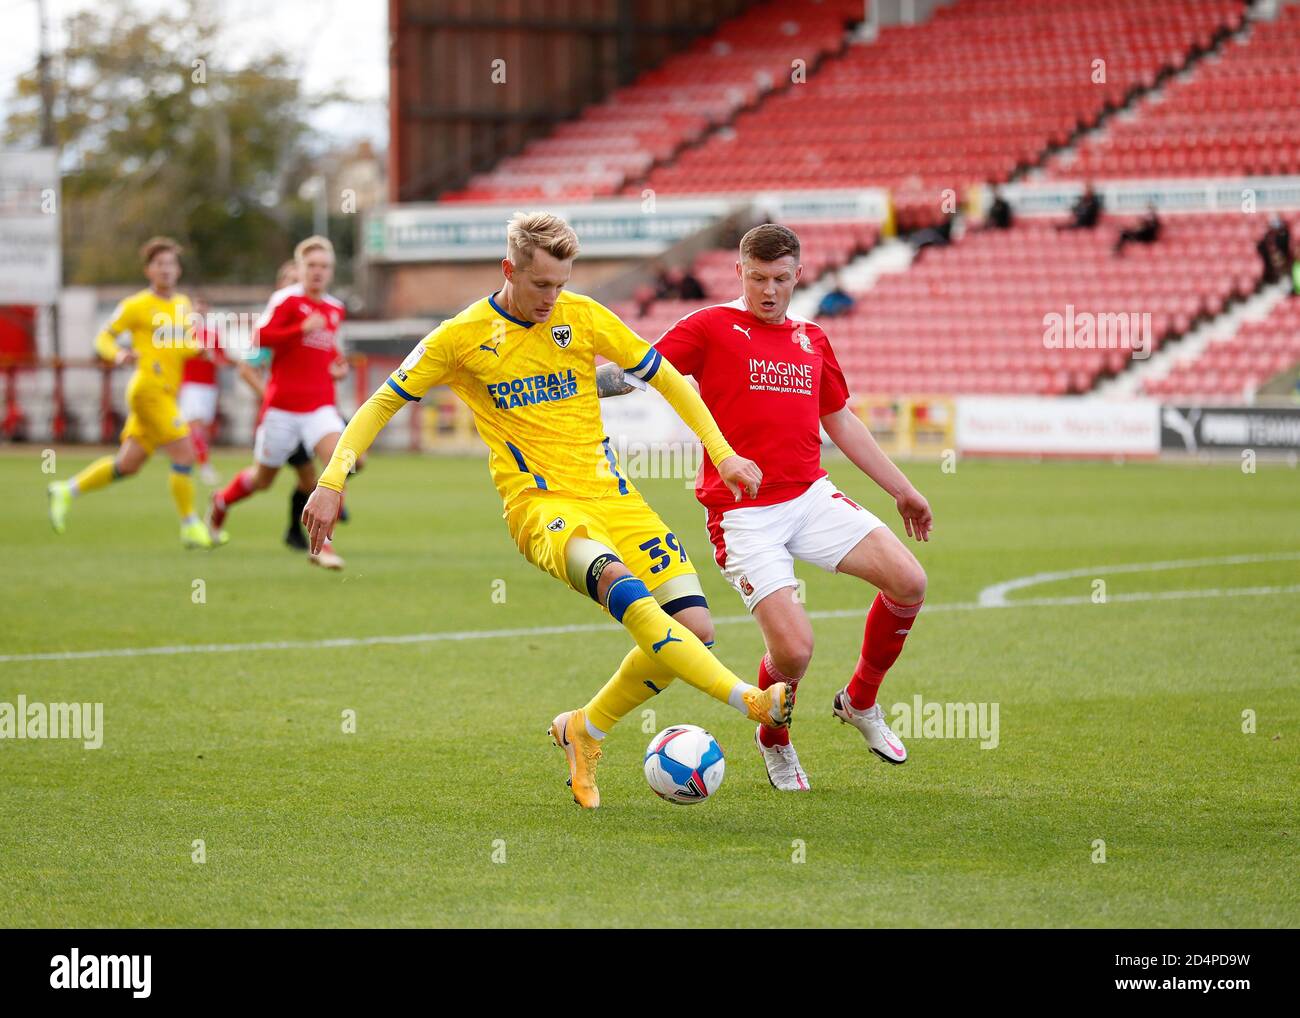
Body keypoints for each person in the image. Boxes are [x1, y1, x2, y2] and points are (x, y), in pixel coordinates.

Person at [301, 211, 794, 809]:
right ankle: (748, 699)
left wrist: (723, 453)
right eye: (541, 285)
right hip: (540, 507)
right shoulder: (461, 337)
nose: (552, 298)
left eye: (561, 284)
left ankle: (583, 728)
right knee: (621, 584)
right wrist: (332, 479)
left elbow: (667, 379)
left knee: (694, 629)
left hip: (615, 497)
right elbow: (381, 403)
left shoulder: (582, 317)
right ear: (510, 269)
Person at [595, 224, 933, 791]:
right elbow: (636, 373)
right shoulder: (710, 326)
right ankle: (773, 736)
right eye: (757, 279)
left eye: (780, 279)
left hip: (810, 496)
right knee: (795, 651)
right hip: (744, 513)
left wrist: (902, 488)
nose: (769, 291)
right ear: (739, 273)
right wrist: (561, 384)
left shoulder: (812, 337)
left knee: (909, 582)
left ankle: (859, 701)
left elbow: (839, 418)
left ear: (799, 275)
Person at [47, 237, 219, 549]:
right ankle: (190, 525)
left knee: (127, 465)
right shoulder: (136, 305)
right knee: (185, 452)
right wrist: (118, 355)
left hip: (167, 392)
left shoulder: (182, 304)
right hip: (148, 390)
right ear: (148, 270)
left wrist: (198, 351)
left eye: (170, 264)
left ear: (178, 270)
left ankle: (65, 490)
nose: (166, 269)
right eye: (159, 264)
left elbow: (179, 345)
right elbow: (103, 338)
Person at [207, 236, 349, 569]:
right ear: (300, 268)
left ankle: (322, 547)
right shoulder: (285, 301)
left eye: (324, 266)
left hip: (320, 406)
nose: (318, 272)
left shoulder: (335, 307)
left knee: (339, 463)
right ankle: (221, 502)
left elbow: (326, 348)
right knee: (262, 480)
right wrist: (299, 328)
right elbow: (260, 338)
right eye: (311, 265)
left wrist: (336, 367)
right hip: (282, 409)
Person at [177, 296, 224, 485]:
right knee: (194, 427)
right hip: (191, 386)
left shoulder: (213, 334)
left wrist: (213, 358)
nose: (200, 310)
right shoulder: (186, 333)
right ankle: (205, 467)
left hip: (209, 387)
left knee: (201, 431)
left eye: (203, 306)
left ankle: (188, 463)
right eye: (197, 306)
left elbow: (222, 359)